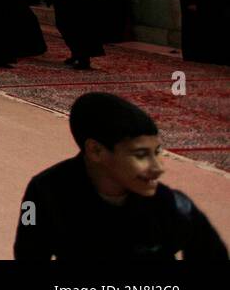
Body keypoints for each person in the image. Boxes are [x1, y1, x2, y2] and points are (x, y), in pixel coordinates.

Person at [14, 92, 227, 259]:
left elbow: (210, 252)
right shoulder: (43, 192)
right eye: (141, 155)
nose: (158, 168)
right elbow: (28, 251)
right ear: (96, 151)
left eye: (157, 152)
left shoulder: (172, 205)